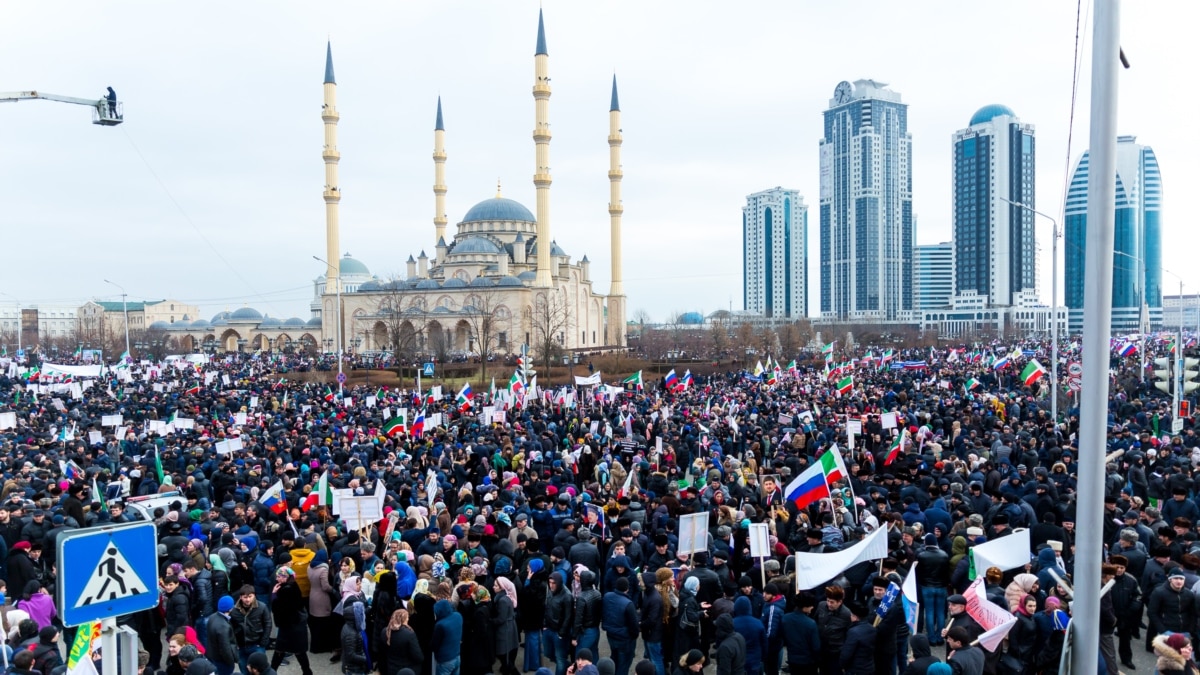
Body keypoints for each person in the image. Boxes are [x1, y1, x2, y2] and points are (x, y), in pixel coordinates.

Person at [269, 568, 313, 675]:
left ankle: (270, 672)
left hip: (289, 626)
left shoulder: (286, 590)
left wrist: (274, 595)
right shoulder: (293, 585)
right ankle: (307, 672)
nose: (276, 578)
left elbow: (279, 608)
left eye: (279, 576)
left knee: (281, 651)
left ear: (285, 577)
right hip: (296, 625)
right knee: (298, 652)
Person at [230, 585, 272, 675]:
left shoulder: (262, 607)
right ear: (240, 597)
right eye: (245, 597)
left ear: (254, 596)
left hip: (256, 645)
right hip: (241, 647)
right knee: (244, 671)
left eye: (250, 596)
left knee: (259, 671)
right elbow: (231, 628)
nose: (247, 599)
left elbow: (268, 624)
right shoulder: (234, 610)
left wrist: (263, 643)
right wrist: (235, 643)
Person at [602, 576, 639, 675]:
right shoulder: (628, 604)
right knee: (623, 665)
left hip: (611, 635)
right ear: (627, 589)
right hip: (624, 639)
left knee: (614, 660)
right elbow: (634, 626)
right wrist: (633, 636)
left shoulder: (607, 596)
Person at [782, 591, 820, 675]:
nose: (812, 607)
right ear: (805, 607)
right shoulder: (811, 623)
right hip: (808, 662)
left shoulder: (785, 618)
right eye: (811, 605)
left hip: (793, 660)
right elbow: (816, 647)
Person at [492, 576, 520, 675]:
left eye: (496, 585)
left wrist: (489, 621)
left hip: (504, 632)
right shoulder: (506, 597)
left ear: (502, 587)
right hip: (509, 628)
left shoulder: (502, 600)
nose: (493, 587)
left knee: (505, 658)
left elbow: (501, 619)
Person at [839, 601, 876, 675]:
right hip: (869, 667)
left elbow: (846, 654)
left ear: (855, 617)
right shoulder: (872, 629)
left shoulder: (853, 632)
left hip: (856, 669)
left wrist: (842, 666)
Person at [205, 596, 238, 675]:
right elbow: (225, 648)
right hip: (222, 662)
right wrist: (231, 662)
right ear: (230, 609)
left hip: (212, 656)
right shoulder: (223, 626)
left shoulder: (212, 617)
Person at [385, 609, 423, 675]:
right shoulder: (409, 634)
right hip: (407, 669)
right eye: (407, 617)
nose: (408, 619)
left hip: (391, 668)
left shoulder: (386, 632)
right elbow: (418, 656)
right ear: (403, 618)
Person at [432, 599, 463, 675]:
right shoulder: (458, 616)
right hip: (457, 656)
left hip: (445, 660)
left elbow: (434, 645)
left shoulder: (440, 625)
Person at [340, 602, 370, 675]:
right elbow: (351, 655)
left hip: (355, 667)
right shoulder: (351, 634)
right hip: (354, 669)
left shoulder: (350, 627)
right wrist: (364, 659)